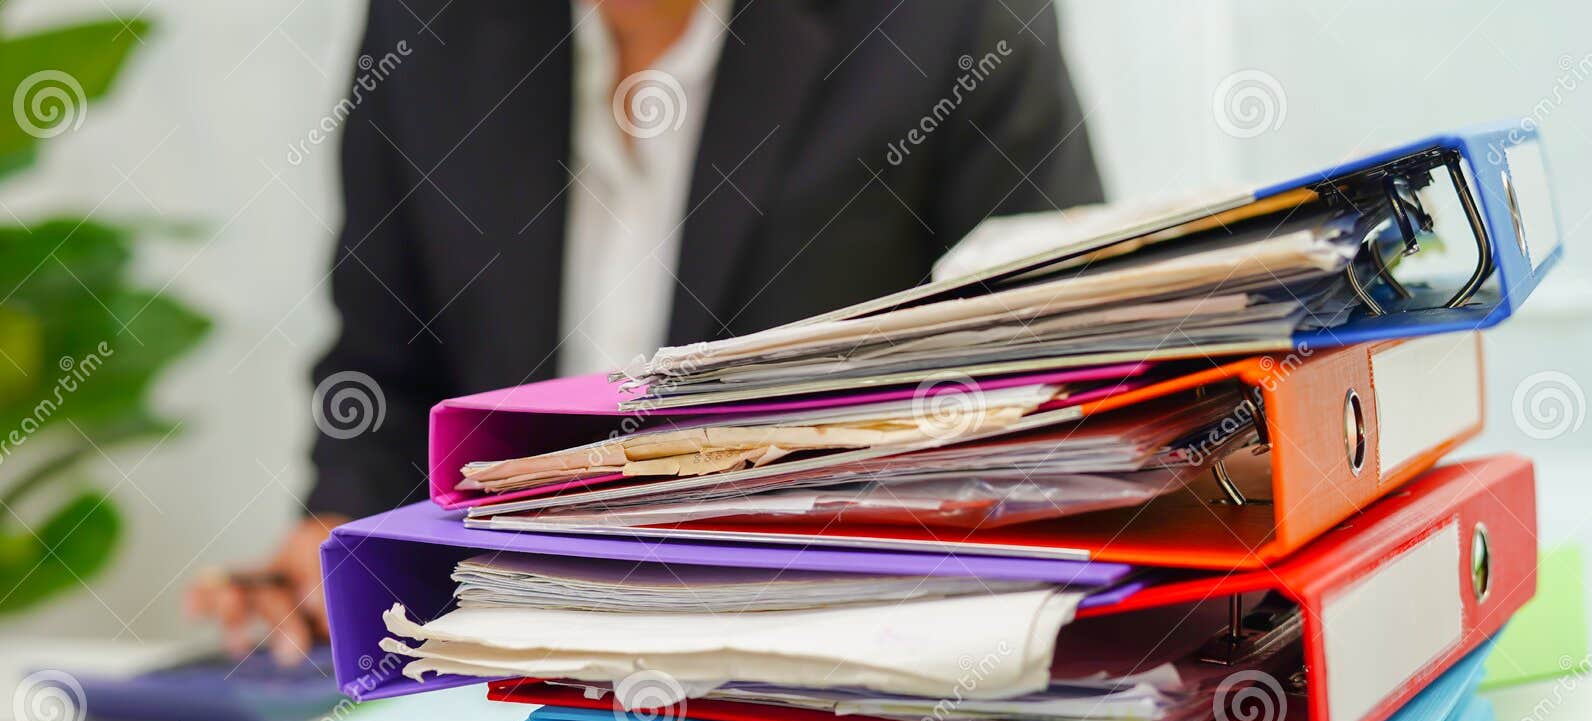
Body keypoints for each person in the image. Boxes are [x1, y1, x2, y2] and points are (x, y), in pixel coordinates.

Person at [187, 0, 1102, 660]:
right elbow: (384, 364)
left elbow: (1061, 370)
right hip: (509, 659)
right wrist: (337, 533)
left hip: (833, 660)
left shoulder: (951, 25)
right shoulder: (427, 27)